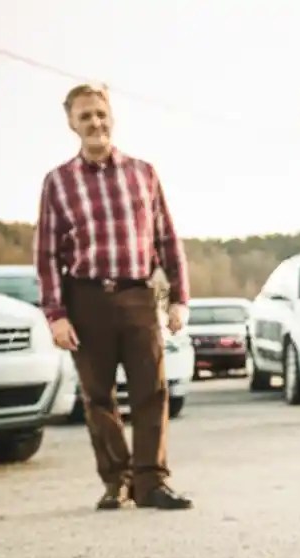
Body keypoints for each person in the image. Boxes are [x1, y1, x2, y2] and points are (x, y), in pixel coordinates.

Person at [33, 83, 193, 511]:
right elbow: (47, 253)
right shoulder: (58, 182)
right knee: (98, 397)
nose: (95, 123)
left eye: (100, 114)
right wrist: (56, 314)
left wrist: (179, 298)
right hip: (86, 299)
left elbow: (167, 238)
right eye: (85, 116)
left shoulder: (143, 173)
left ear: (112, 116)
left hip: (138, 295)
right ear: (72, 123)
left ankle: (152, 482)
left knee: (151, 391)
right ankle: (116, 480)